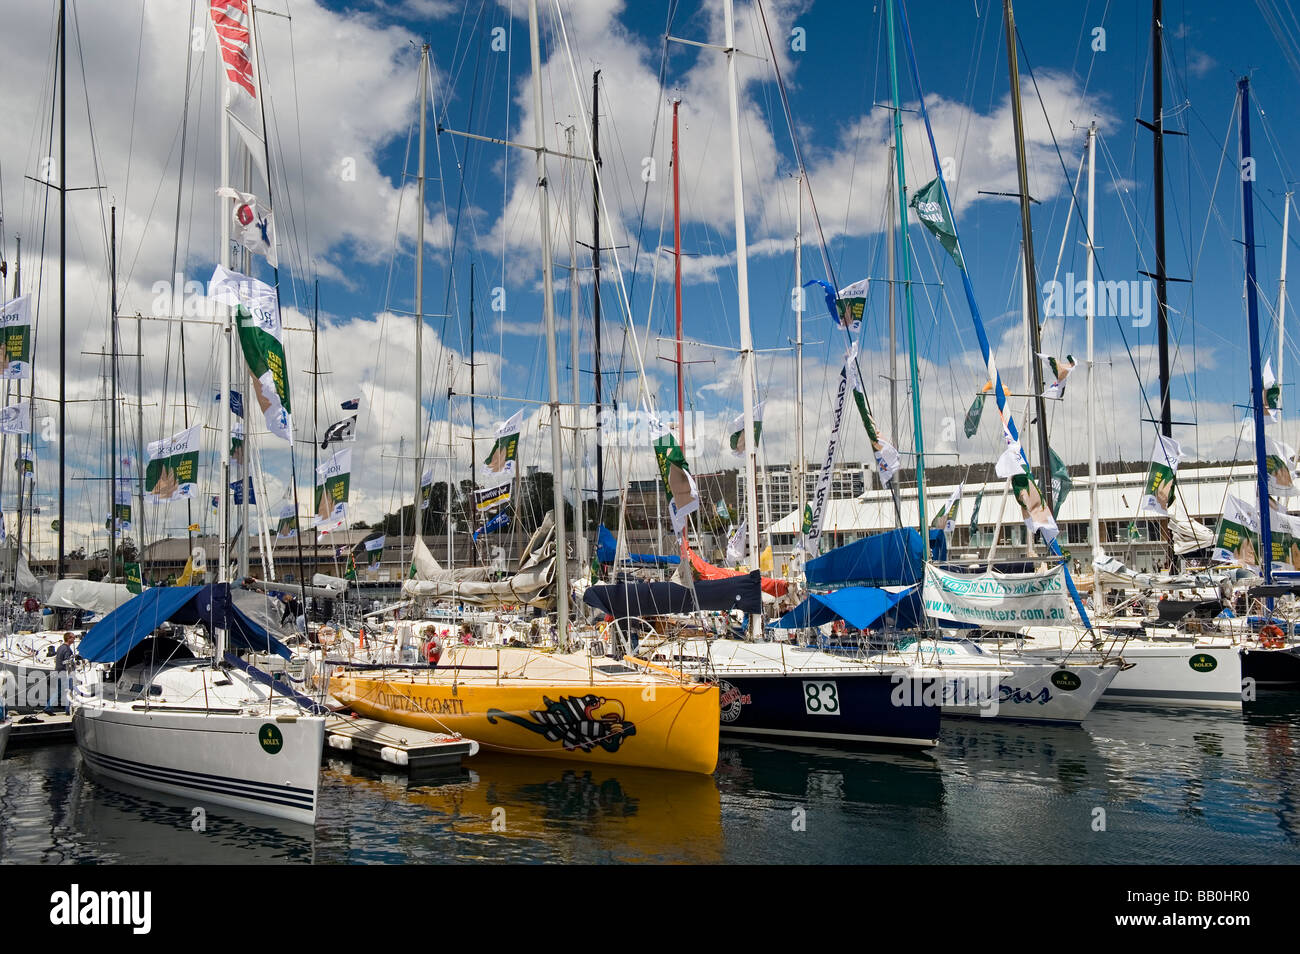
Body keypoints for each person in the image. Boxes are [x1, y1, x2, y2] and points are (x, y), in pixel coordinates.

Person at [47, 632, 76, 715]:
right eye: (73, 638)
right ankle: (68, 710)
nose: (74, 639)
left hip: (58, 672)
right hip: (65, 673)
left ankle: (48, 707)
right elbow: (67, 661)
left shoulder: (60, 647)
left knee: (58, 691)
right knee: (69, 691)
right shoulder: (67, 649)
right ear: (69, 638)